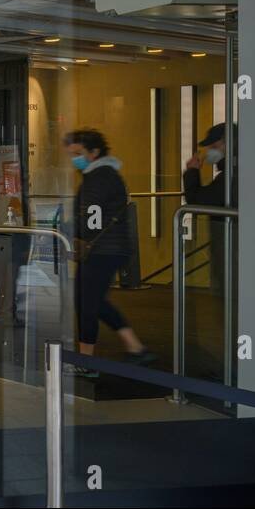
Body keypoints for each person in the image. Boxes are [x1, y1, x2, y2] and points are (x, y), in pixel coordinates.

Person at [65, 129, 153, 377]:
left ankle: (86, 362)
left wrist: (73, 231)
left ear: (94, 153)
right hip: (108, 248)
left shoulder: (98, 178)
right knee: (93, 300)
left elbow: (91, 218)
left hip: (101, 250)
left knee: (86, 303)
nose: (74, 159)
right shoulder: (104, 174)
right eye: (72, 154)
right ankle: (135, 347)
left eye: (78, 154)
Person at [183, 122, 238, 381]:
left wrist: (192, 173)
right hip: (234, 251)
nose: (210, 152)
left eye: (214, 146)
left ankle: (234, 367)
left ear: (227, 144)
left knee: (232, 306)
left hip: (232, 252)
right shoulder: (236, 172)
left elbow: (198, 202)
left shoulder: (231, 176)